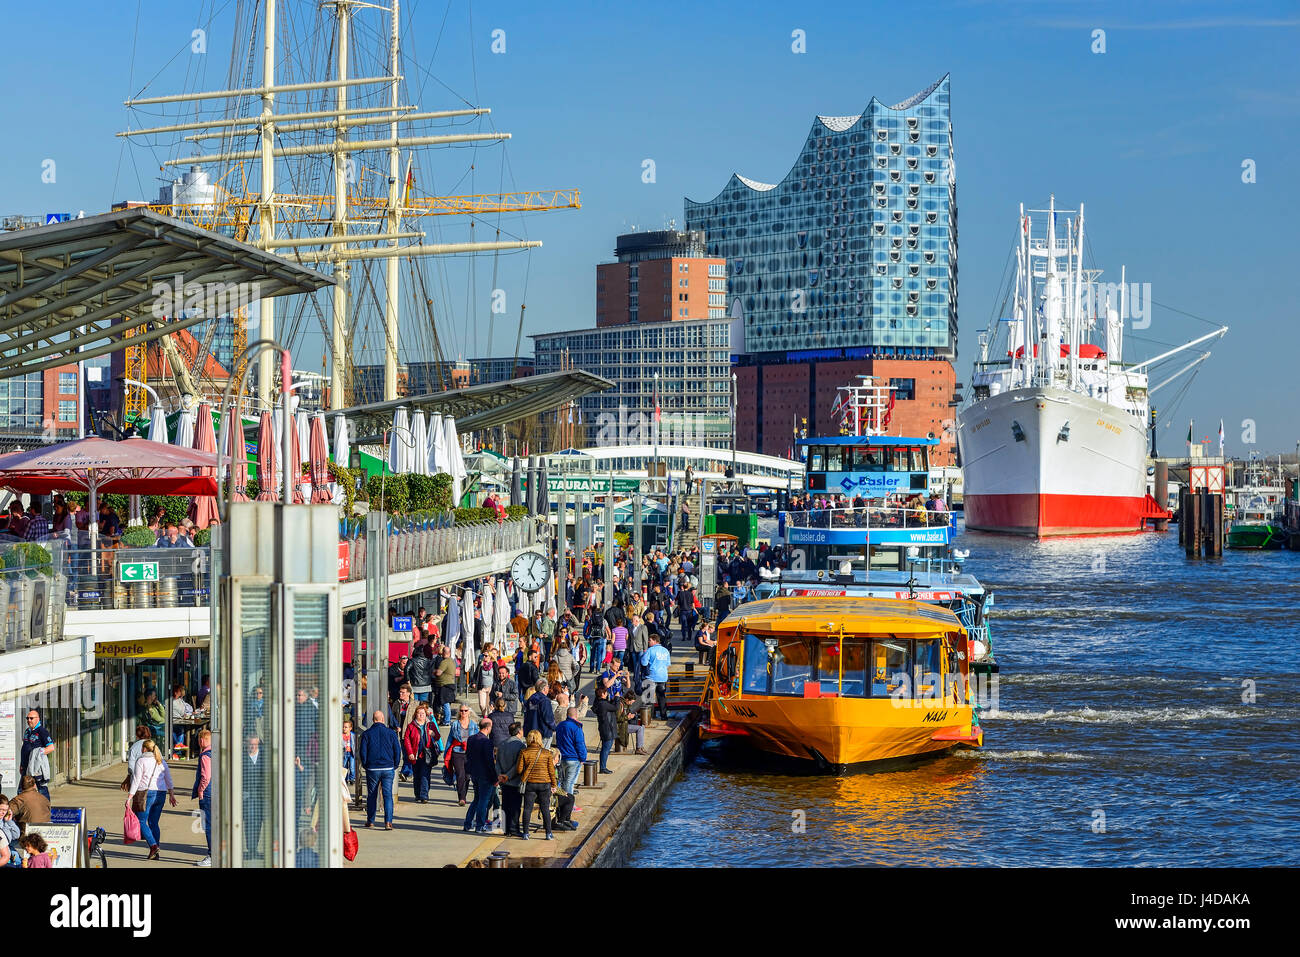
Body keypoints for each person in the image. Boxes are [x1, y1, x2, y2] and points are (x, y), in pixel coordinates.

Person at [128, 739, 176, 861]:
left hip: (146, 793)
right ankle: (156, 851)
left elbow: (136, 780)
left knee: (141, 821)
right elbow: (168, 779)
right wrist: (171, 794)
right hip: (161, 794)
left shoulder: (141, 761)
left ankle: (154, 846)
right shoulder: (161, 761)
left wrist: (130, 797)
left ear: (144, 749)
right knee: (154, 823)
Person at [359, 710, 401, 830]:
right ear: (383, 719)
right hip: (388, 767)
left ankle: (370, 821)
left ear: (373, 720)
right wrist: (395, 764)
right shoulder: (391, 733)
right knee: (387, 795)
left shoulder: (367, 734)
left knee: (372, 794)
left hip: (372, 768)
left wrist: (366, 764)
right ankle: (388, 822)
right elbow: (397, 751)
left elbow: (363, 752)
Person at [515, 730, 557, 840]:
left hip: (530, 784)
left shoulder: (524, 752)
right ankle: (548, 833)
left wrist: (526, 772)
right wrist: (554, 784)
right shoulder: (547, 753)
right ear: (539, 739)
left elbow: (519, 770)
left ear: (528, 739)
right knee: (545, 809)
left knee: (527, 809)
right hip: (545, 784)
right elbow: (551, 771)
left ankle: (525, 833)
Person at [464, 716, 497, 833]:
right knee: (483, 800)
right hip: (485, 775)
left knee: (476, 799)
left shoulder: (471, 739)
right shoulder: (487, 742)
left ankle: (467, 823)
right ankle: (480, 825)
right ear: (488, 728)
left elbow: (468, 756)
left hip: (475, 773)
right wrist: (494, 778)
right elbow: (490, 761)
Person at [403, 704, 441, 804]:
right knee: (417, 775)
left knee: (425, 774)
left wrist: (434, 734)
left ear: (426, 715)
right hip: (415, 754)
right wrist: (410, 753)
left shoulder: (431, 724)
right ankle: (418, 794)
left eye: (423, 713)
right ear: (415, 714)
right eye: (419, 713)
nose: (421, 715)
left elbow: (437, 737)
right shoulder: (411, 726)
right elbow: (406, 740)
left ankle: (424, 795)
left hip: (427, 754)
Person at [495, 722, 527, 837]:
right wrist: (508, 775)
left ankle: (505, 828)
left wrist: (500, 775)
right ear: (519, 732)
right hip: (514, 780)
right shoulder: (521, 746)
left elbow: (497, 762)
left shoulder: (502, 744)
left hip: (503, 781)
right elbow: (518, 765)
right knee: (515, 806)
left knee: (505, 805)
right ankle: (514, 829)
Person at [553, 706, 587, 804]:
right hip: (573, 758)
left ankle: (560, 802)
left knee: (563, 781)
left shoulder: (560, 725)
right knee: (569, 782)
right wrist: (583, 758)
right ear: (576, 715)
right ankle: (568, 805)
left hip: (562, 757)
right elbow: (580, 744)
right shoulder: (576, 727)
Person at [445, 705, 476, 806]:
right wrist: (446, 754)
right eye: (461, 711)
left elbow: (477, 739)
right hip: (457, 752)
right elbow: (450, 739)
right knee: (460, 775)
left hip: (470, 753)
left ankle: (464, 794)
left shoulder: (473, 724)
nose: (463, 712)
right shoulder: (455, 724)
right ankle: (461, 798)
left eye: (465, 710)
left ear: (469, 712)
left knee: (467, 776)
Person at [20, 709, 54, 800]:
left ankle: (46, 811)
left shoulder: (42, 731)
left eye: (31, 718)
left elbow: (51, 747)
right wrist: (22, 764)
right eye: (27, 718)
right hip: (26, 766)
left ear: (38, 719)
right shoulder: (27, 731)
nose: (29, 720)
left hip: (37, 767)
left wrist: (39, 754)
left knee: (42, 790)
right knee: (21, 790)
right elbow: (24, 748)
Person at [192, 729, 213, 866]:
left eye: (203, 739)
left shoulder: (205, 756)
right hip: (218, 793)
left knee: (209, 826)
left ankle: (212, 855)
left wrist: (200, 790)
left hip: (208, 794)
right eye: (200, 739)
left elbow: (206, 776)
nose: (201, 741)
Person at [243, 736, 265, 859]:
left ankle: (254, 848)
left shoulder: (264, 756)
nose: (253, 747)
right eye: (251, 744)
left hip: (261, 795)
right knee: (249, 822)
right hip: (247, 795)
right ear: (247, 744)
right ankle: (251, 849)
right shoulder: (241, 757)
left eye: (255, 744)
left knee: (258, 822)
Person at [641, 633, 672, 721]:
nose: (648, 642)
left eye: (650, 640)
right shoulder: (665, 650)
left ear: (655, 641)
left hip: (651, 676)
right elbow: (668, 665)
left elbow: (644, 663)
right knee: (661, 697)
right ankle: (663, 716)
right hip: (662, 677)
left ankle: (650, 716)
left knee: (649, 698)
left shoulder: (650, 650)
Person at [522, 678, 557, 748]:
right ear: (544, 688)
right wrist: (554, 728)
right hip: (543, 733)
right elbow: (548, 718)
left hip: (531, 732)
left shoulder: (530, 699)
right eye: (548, 686)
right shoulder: (545, 700)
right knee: (543, 754)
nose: (548, 688)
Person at [593, 687, 618, 774]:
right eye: (605, 693)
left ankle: (603, 767)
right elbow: (615, 708)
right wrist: (617, 698)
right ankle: (603, 767)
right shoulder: (603, 704)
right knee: (606, 748)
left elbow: (610, 706)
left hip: (604, 728)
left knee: (605, 747)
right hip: (608, 729)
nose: (607, 694)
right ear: (603, 694)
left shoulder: (599, 703)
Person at [434, 644, 457, 726]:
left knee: (445, 703)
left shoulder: (444, 662)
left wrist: (434, 671)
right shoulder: (452, 661)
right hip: (450, 683)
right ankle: (446, 719)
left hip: (445, 685)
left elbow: (438, 673)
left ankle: (447, 720)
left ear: (443, 652)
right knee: (446, 703)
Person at [170, 684, 194, 751]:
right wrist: (186, 713)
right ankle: (179, 747)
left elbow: (186, 709)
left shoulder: (179, 700)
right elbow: (182, 712)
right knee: (180, 729)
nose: (181, 693)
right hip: (174, 721)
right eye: (180, 691)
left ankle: (178, 747)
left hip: (179, 721)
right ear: (175, 692)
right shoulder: (173, 701)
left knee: (180, 729)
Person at [342, 719, 358, 785]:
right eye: (343, 727)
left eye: (346, 727)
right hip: (344, 753)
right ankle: (345, 779)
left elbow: (355, 743)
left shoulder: (353, 735)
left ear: (350, 728)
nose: (344, 728)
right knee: (344, 767)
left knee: (352, 767)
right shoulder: (341, 735)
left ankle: (352, 778)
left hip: (351, 753)